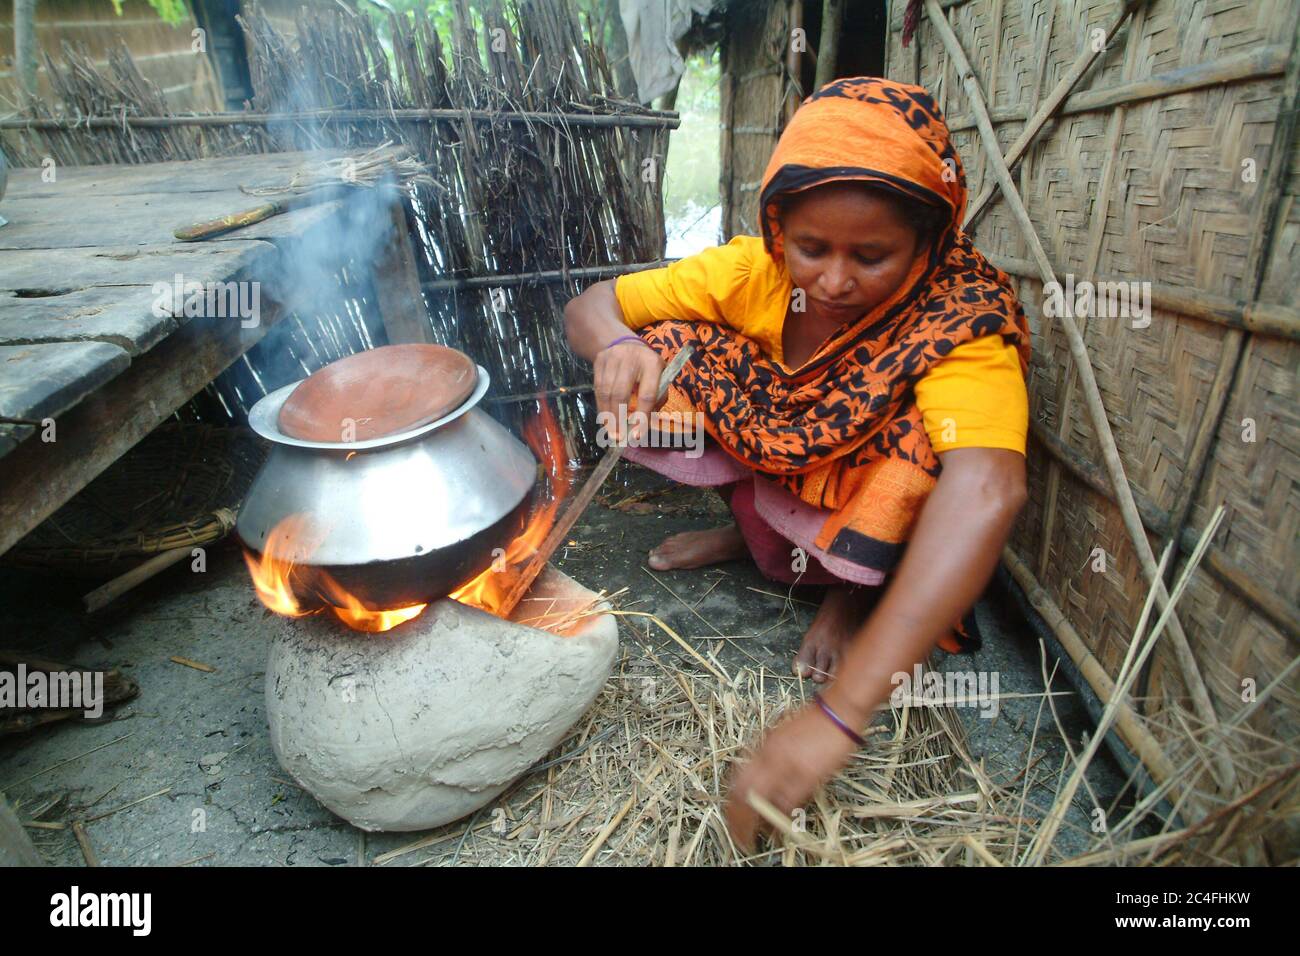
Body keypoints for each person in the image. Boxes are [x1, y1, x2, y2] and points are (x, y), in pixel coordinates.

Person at [563, 77, 1030, 849]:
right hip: (787, 447)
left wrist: (839, 715)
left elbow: (987, 487)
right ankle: (755, 533)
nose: (835, 281)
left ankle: (850, 592)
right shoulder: (757, 272)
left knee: (926, 444)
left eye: (872, 256)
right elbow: (593, 305)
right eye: (812, 248)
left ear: (927, 241)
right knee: (668, 349)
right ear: (780, 230)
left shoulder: (961, 315)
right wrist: (617, 349)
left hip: (863, 471)